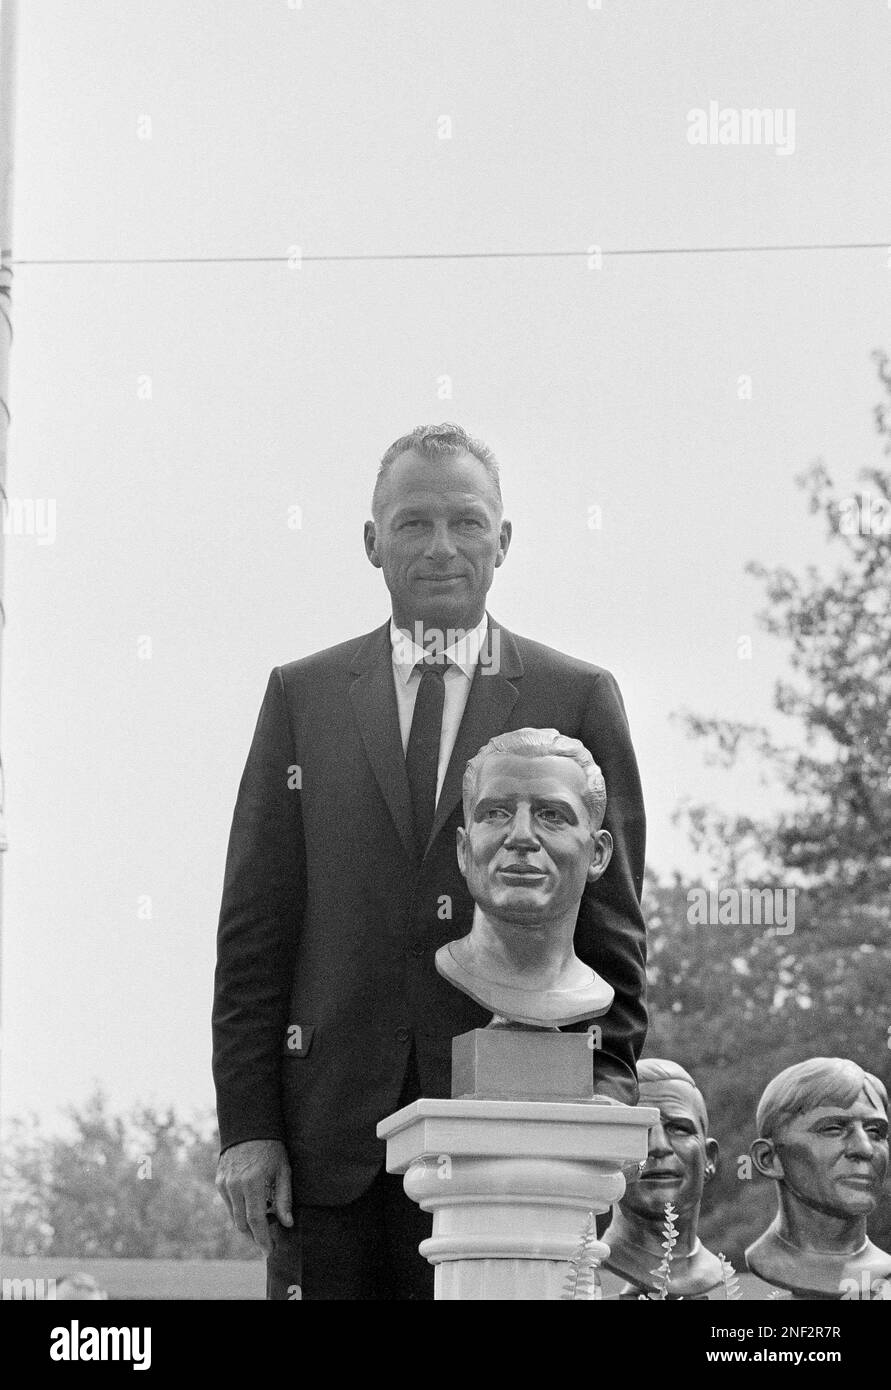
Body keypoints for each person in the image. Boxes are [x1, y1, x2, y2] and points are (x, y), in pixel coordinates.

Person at [213, 423, 648, 1300]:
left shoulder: (577, 697)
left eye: (466, 522)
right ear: (372, 542)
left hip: (515, 1147)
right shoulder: (301, 698)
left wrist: (603, 1090)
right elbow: (256, 930)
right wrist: (247, 1127)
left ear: (503, 540)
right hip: (327, 1149)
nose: (441, 547)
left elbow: (616, 929)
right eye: (413, 524)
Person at [437, 726, 615, 1027]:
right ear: (463, 849)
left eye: (551, 815)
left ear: (597, 854)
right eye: (496, 813)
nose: (521, 837)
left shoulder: (595, 994)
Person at [745, 1057, 890, 1298]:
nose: (865, 1149)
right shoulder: (765, 1260)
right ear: (769, 1158)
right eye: (833, 1129)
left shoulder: (884, 1269)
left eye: (876, 1131)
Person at [602, 1059, 722, 1298]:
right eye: (639, 1130)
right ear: (606, 1156)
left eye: (679, 1128)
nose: (658, 1147)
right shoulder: (582, 1269)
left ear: (709, 1158)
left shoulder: (721, 1274)